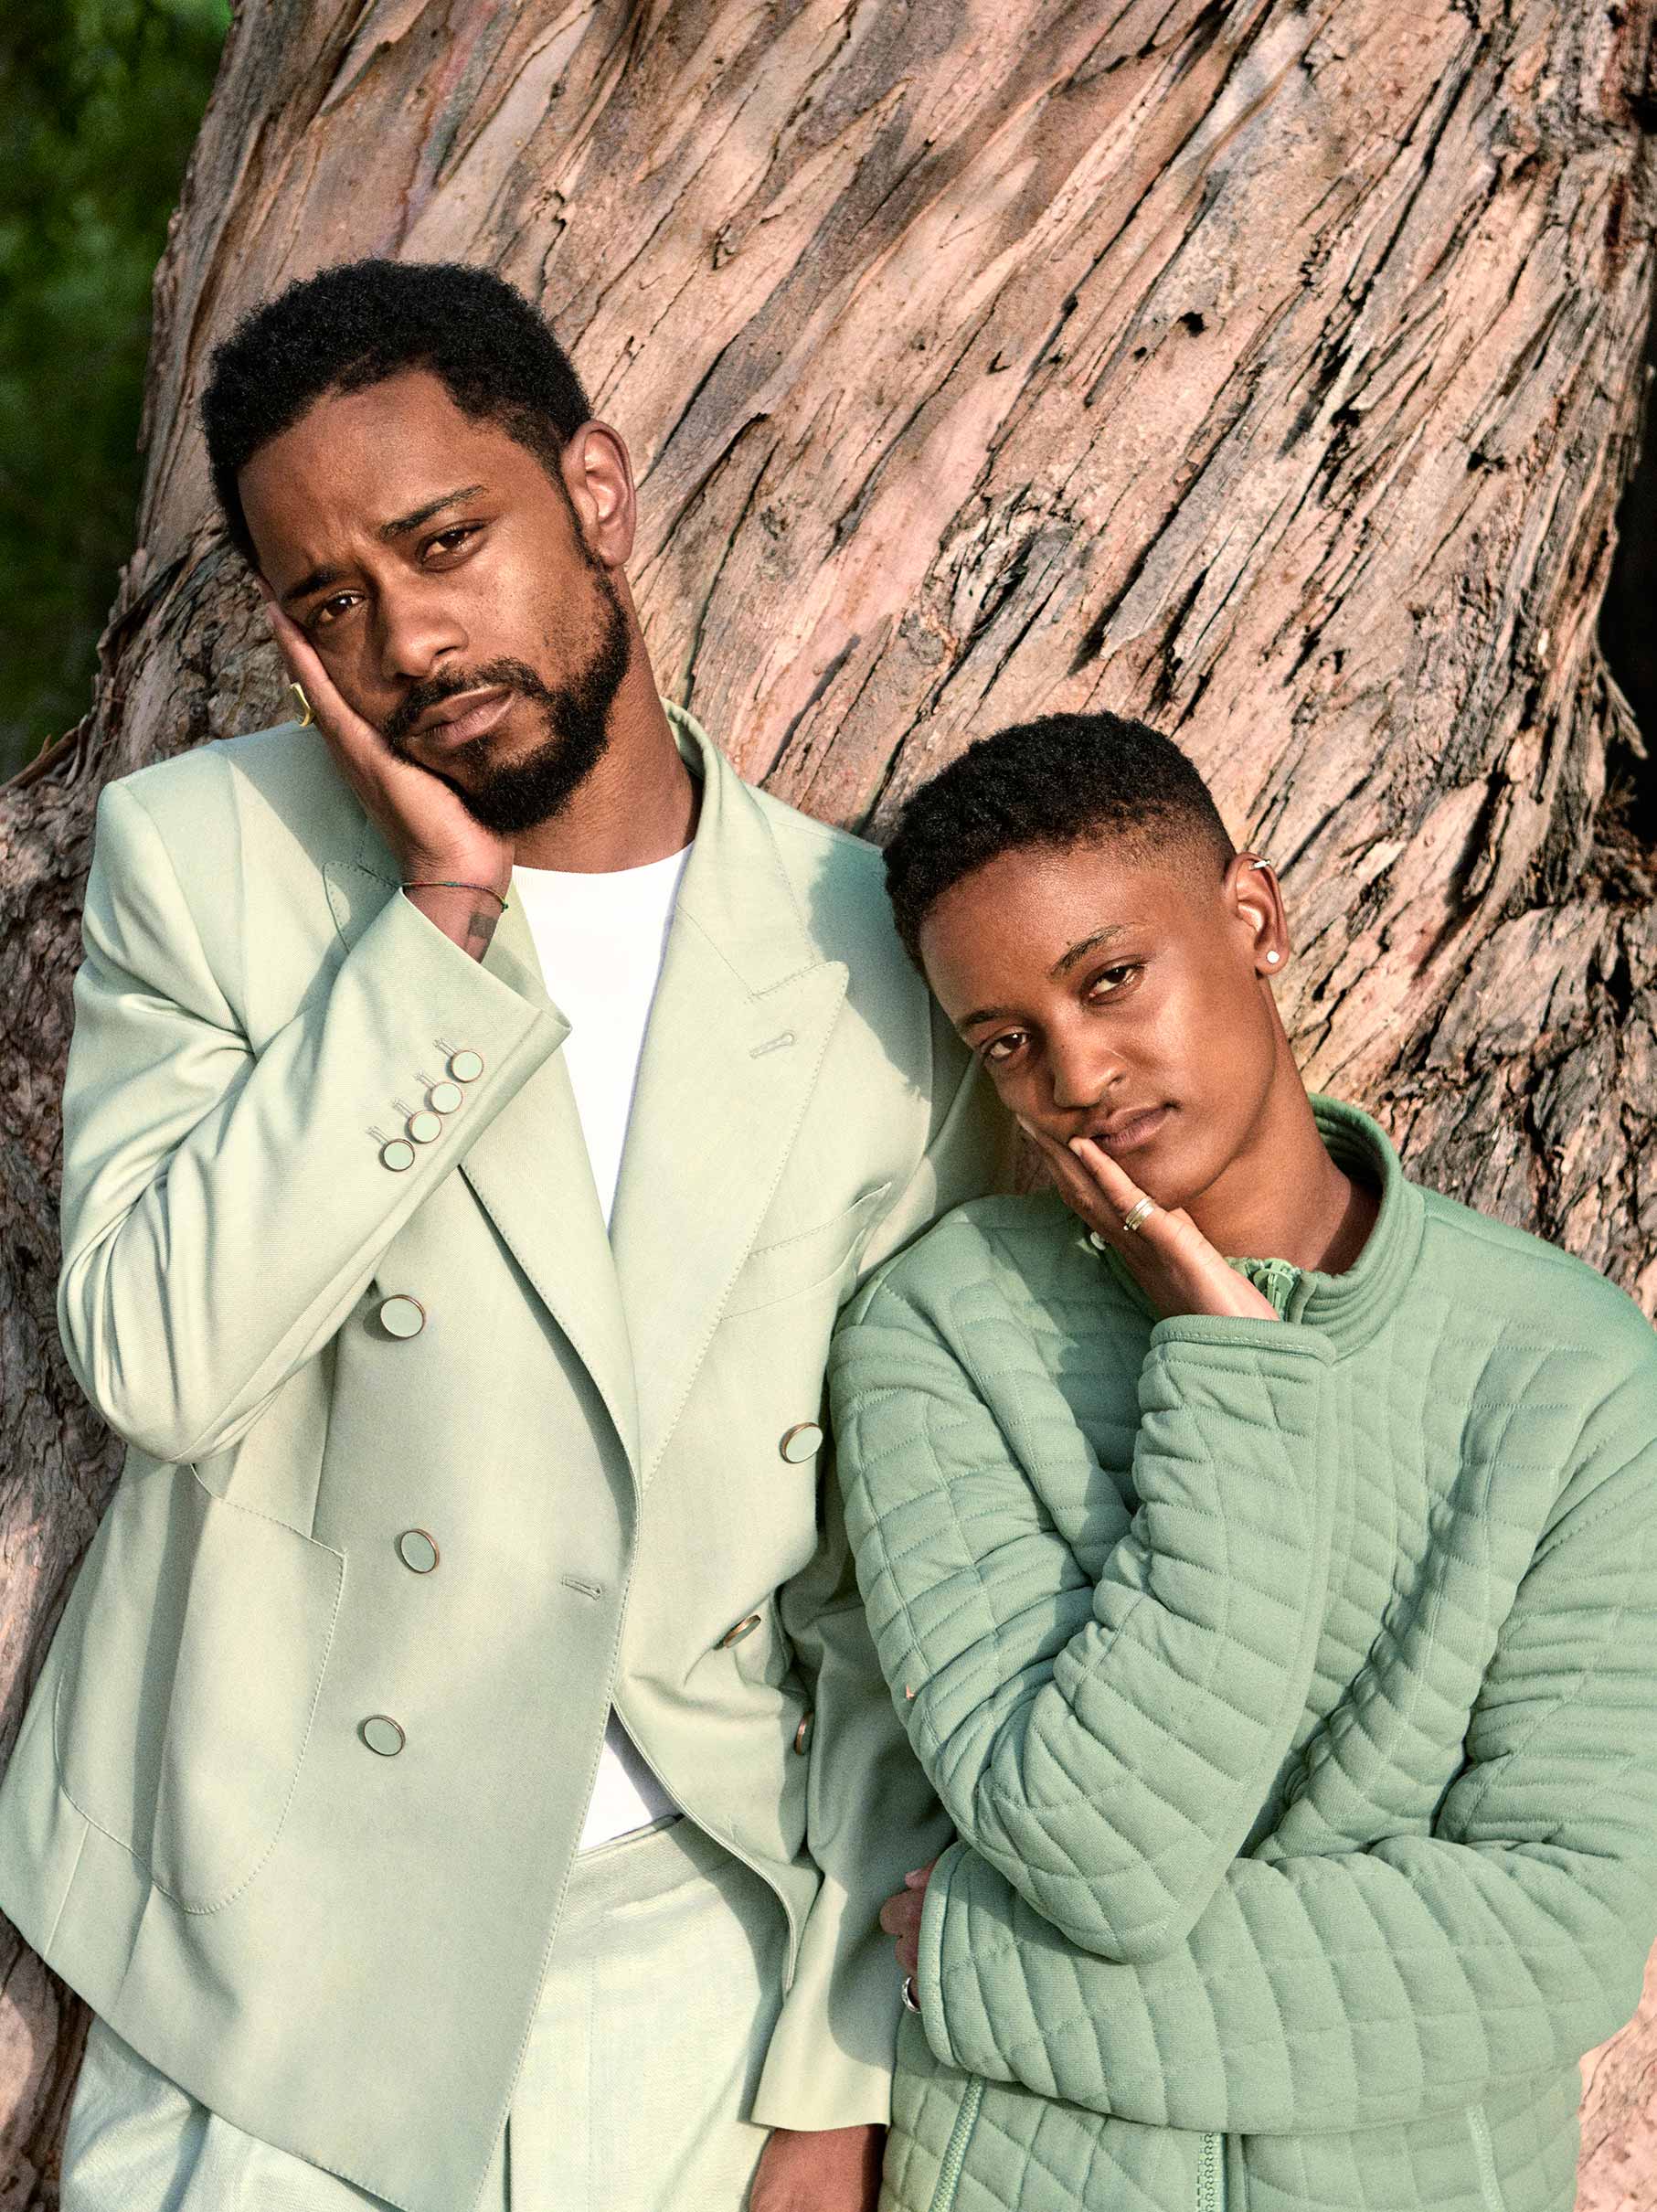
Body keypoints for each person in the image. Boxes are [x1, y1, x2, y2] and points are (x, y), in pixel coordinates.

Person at [0, 259, 1010, 2212]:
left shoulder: (872, 957)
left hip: (689, 1955)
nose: (409, 636)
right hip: (272, 1955)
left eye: (445, 540)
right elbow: (155, 1356)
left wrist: (829, 2076)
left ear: (598, 493)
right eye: (330, 605)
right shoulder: (211, 862)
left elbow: (895, 1586)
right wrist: (436, 930)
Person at [826, 710, 1657, 2212]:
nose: (1074, 1071)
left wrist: (987, 1972)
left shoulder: (1570, 1370)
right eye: (1004, 1042)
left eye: (1110, 979)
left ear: (1252, 918)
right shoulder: (945, 1330)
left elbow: (1560, 1929)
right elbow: (1097, 1849)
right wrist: (1230, 1380)